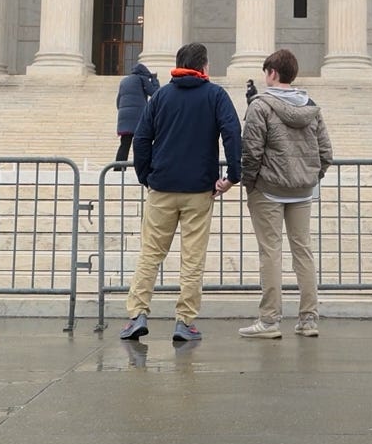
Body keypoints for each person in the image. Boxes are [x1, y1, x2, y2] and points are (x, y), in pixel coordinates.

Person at [120, 43, 241, 343]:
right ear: (204, 67)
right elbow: (232, 132)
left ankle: (137, 314)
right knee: (192, 257)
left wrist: (146, 175)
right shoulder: (215, 95)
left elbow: (142, 138)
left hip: (162, 187)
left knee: (150, 253)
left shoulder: (161, 96)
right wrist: (232, 176)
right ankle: (184, 321)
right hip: (199, 189)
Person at [237, 49, 333, 339]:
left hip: (268, 188)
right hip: (302, 190)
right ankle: (308, 319)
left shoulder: (260, 106)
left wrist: (249, 182)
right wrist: (311, 177)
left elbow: (251, 151)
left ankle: (269, 320)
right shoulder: (311, 106)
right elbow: (326, 152)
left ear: (272, 73)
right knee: (303, 251)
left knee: (271, 253)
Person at [114, 60, 159, 163]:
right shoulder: (142, 79)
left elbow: (118, 101)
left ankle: (118, 169)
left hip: (123, 117)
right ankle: (140, 168)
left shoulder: (124, 81)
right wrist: (154, 80)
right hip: (138, 116)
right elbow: (155, 93)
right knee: (140, 143)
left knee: (124, 144)